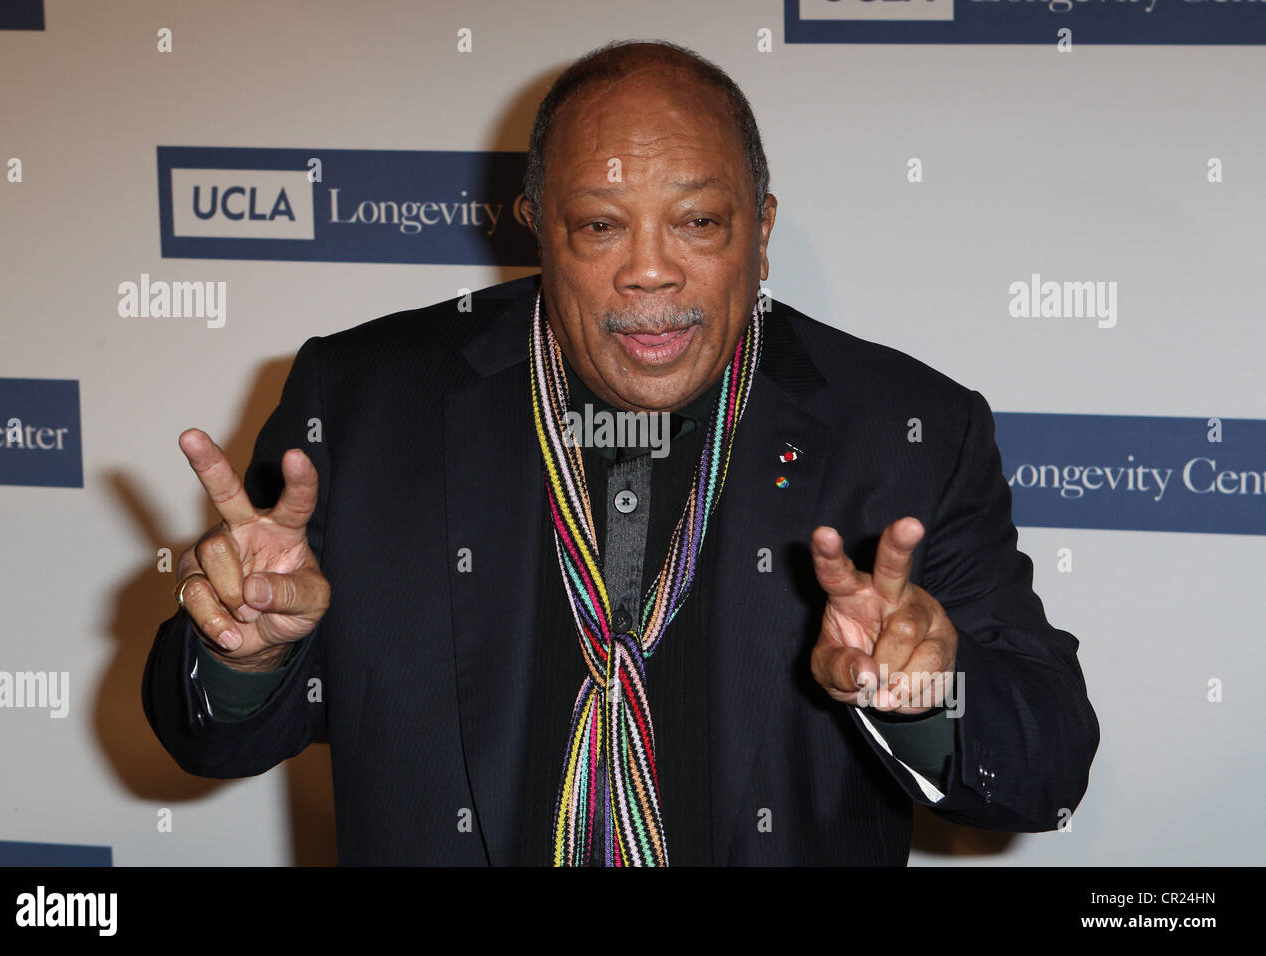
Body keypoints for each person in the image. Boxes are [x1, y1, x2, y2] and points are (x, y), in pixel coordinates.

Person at [143, 39, 1099, 866]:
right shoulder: (360, 403)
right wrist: (247, 652)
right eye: (600, 225)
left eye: (699, 222)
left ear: (759, 235)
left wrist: (933, 694)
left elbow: (1048, 769)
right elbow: (205, 740)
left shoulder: (907, 429)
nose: (649, 269)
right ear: (538, 231)